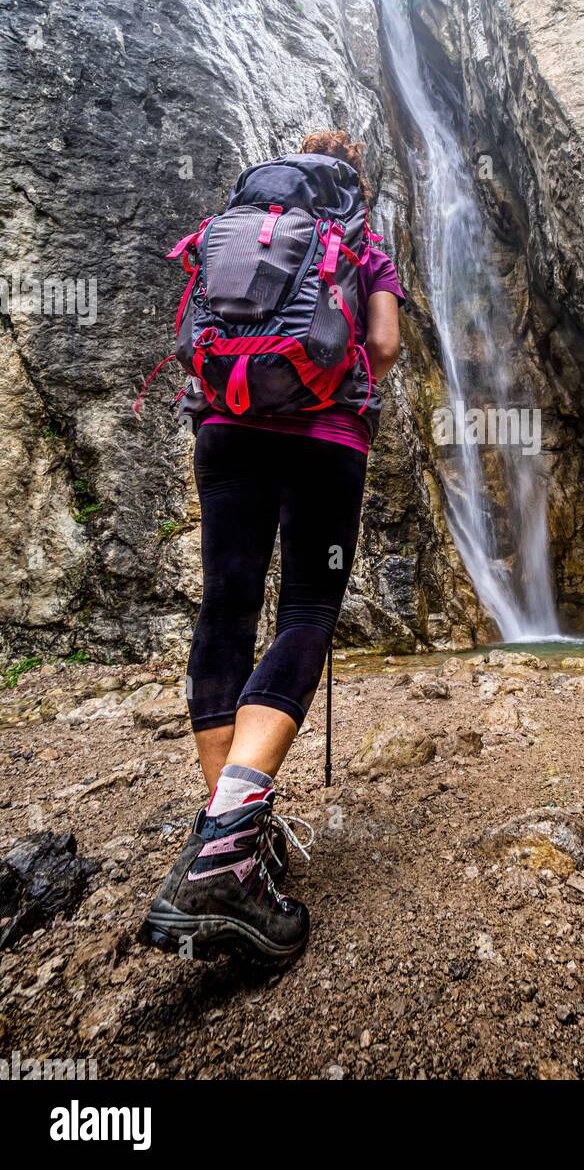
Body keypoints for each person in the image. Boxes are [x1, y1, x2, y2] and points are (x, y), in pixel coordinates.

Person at [140, 130, 404, 964]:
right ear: (352, 183)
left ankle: (221, 827)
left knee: (225, 606)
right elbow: (386, 346)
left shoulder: (240, 228)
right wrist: (344, 384)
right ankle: (227, 848)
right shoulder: (362, 245)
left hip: (225, 434)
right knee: (308, 608)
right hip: (324, 441)